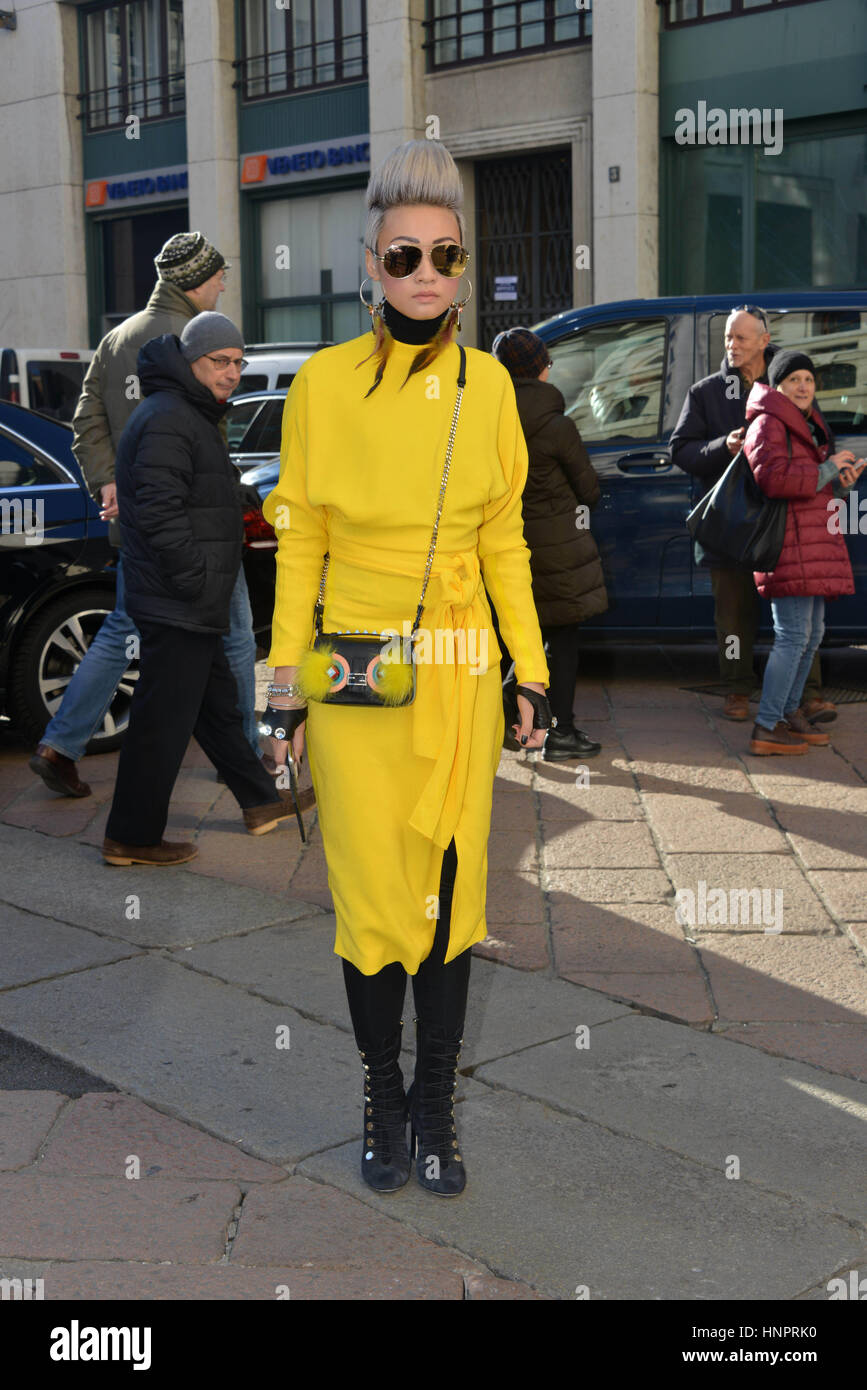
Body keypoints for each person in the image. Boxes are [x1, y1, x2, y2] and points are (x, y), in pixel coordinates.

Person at [261, 140, 552, 1197]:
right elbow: (297, 547)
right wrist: (280, 690)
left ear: (464, 265)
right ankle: (381, 1092)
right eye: (403, 255)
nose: (426, 272)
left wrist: (532, 670)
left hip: (463, 663)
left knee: (449, 891)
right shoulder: (322, 387)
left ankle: (436, 1105)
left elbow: (509, 541)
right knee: (370, 893)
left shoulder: (490, 391)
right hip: (355, 672)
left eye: (445, 253)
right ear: (370, 263)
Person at [30, 232, 264, 798]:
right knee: (234, 635)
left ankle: (60, 743)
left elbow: (85, 423)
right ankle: (250, 761)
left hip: (138, 523)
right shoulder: (194, 341)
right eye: (218, 276)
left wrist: (109, 482)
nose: (224, 284)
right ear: (193, 280)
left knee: (123, 630)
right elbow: (206, 438)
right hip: (197, 524)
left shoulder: (115, 339)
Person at [102, 314, 310, 865]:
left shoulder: (188, 413)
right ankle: (131, 836)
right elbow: (160, 514)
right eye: (220, 361)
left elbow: (200, 495)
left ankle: (261, 801)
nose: (233, 372)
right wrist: (197, 580)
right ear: (191, 361)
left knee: (214, 709)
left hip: (193, 599)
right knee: (160, 724)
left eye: (239, 362)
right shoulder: (170, 417)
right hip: (179, 600)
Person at [671, 305, 832, 724]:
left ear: (764, 339)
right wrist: (722, 445)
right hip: (731, 521)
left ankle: (808, 695)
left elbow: (818, 440)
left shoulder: (789, 382)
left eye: (741, 338)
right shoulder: (706, 391)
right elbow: (681, 449)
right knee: (733, 614)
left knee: (797, 610)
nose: (732, 345)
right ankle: (736, 689)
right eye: (728, 337)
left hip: (785, 517)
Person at [491, 326, 608, 761]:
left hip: (503, 546)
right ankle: (559, 732)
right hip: (557, 548)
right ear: (542, 368)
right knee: (562, 641)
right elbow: (589, 490)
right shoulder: (557, 425)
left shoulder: (487, 420)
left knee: (514, 639)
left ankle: (511, 722)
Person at [744, 350, 863, 756]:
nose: (802, 386)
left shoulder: (807, 425)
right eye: (793, 379)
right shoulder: (768, 423)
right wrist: (827, 470)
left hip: (810, 541)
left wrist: (840, 483)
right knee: (793, 636)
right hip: (788, 544)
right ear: (777, 386)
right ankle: (766, 724)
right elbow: (774, 480)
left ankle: (788, 713)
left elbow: (812, 486)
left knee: (811, 636)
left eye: (808, 380)